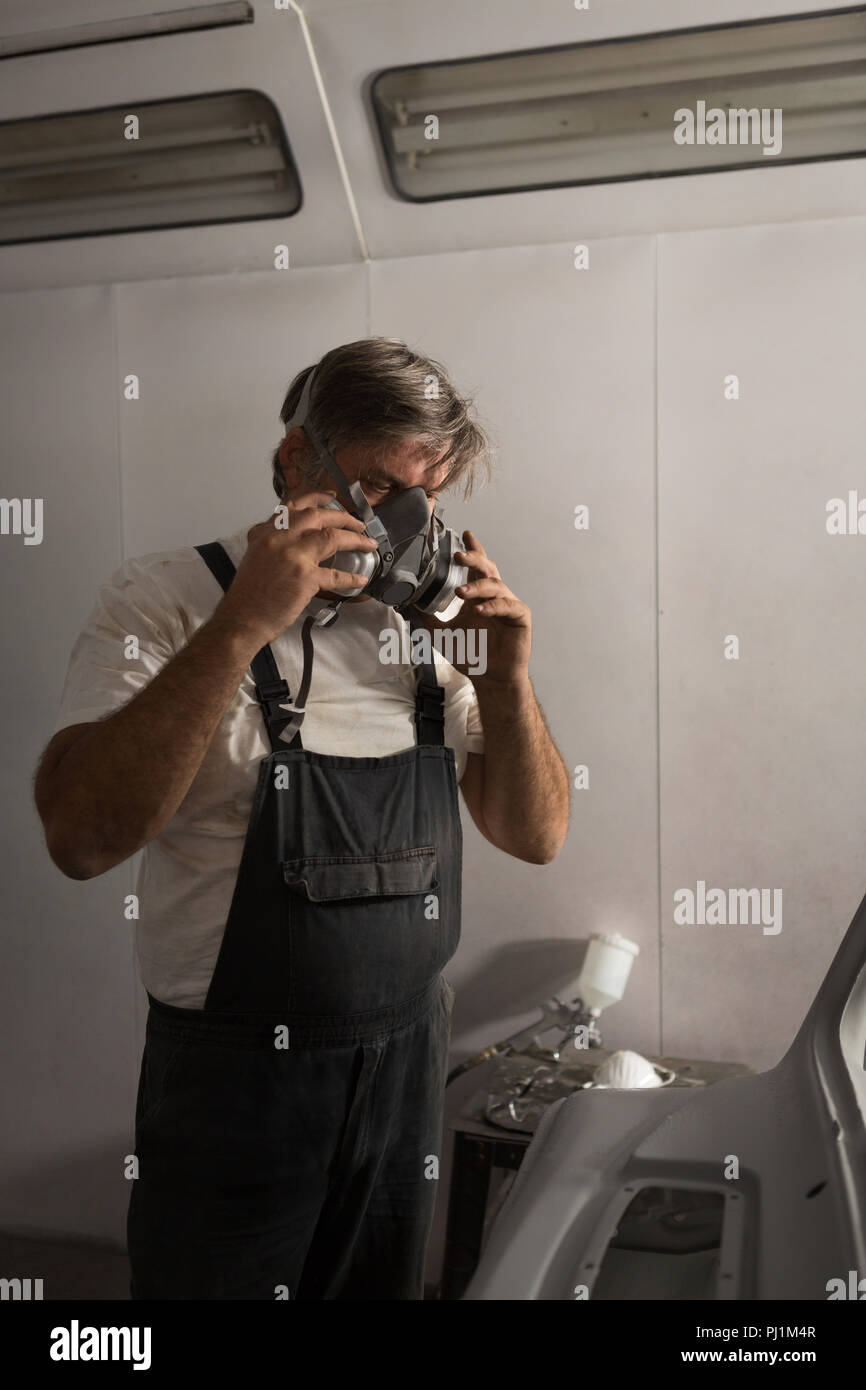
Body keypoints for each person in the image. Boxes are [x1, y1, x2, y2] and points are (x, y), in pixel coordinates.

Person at [34, 337, 570, 1300]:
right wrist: (242, 622)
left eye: (429, 499)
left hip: (408, 1063)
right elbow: (80, 837)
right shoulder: (160, 598)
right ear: (296, 462)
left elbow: (534, 835)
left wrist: (507, 674)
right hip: (235, 1088)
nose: (406, 525)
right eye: (378, 486)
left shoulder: (433, 630)